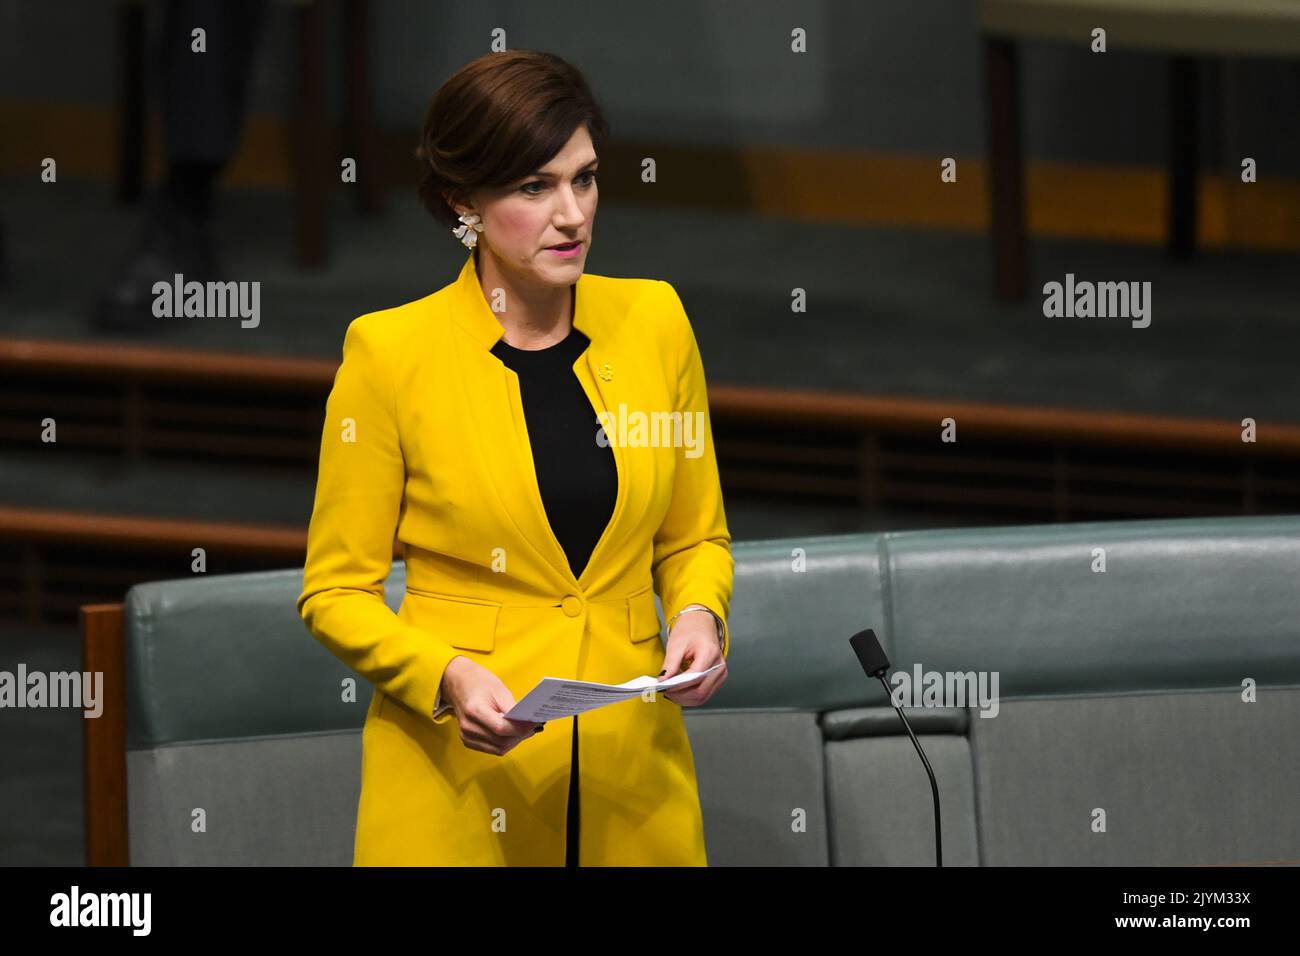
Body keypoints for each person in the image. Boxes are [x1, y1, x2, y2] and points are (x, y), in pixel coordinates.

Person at [296, 50, 733, 866]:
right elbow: (335, 591)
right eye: (534, 188)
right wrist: (445, 675)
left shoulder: (657, 321)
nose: (572, 215)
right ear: (464, 202)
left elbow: (694, 537)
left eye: (586, 179)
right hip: (462, 781)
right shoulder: (390, 355)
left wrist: (702, 614)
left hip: (631, 777)